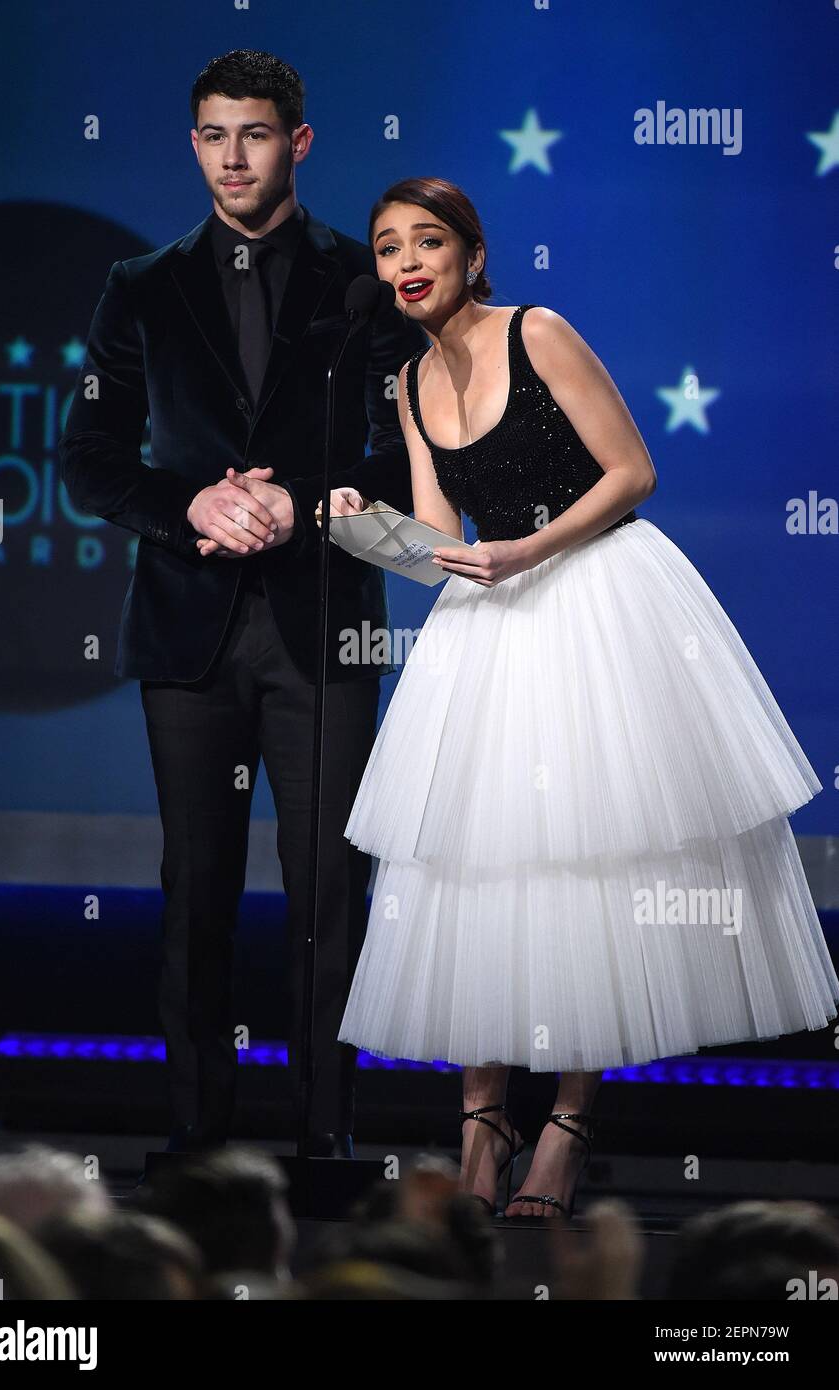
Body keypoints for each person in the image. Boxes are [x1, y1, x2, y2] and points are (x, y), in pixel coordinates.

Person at [332, 176, 839, 1220]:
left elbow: (630, 471)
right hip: (485, 628)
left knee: (587, 864)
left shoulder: (539, 332)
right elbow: (439, 544)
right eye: (386, 248)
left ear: (473, 255)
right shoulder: (406, 383)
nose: (404, 263)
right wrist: (365, 525)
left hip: (594, 597)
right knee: (472, 864)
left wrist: (526, 548)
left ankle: (564, 1123)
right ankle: (480, 1125)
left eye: (427, 241)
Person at [59, 51, 426, 1156]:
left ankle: (325, 1142)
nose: (232, 156)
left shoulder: (360, 280)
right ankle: (197, 1146)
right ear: (193, 145)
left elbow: (406, 459)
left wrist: (294, 501)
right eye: (213, 135)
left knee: (326, 896)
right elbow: (88, 457)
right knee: (195, 890)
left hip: (324, 623)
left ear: (297, 144)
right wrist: (195, 508)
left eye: (254, 134)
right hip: (188, 630)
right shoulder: (140, 286)